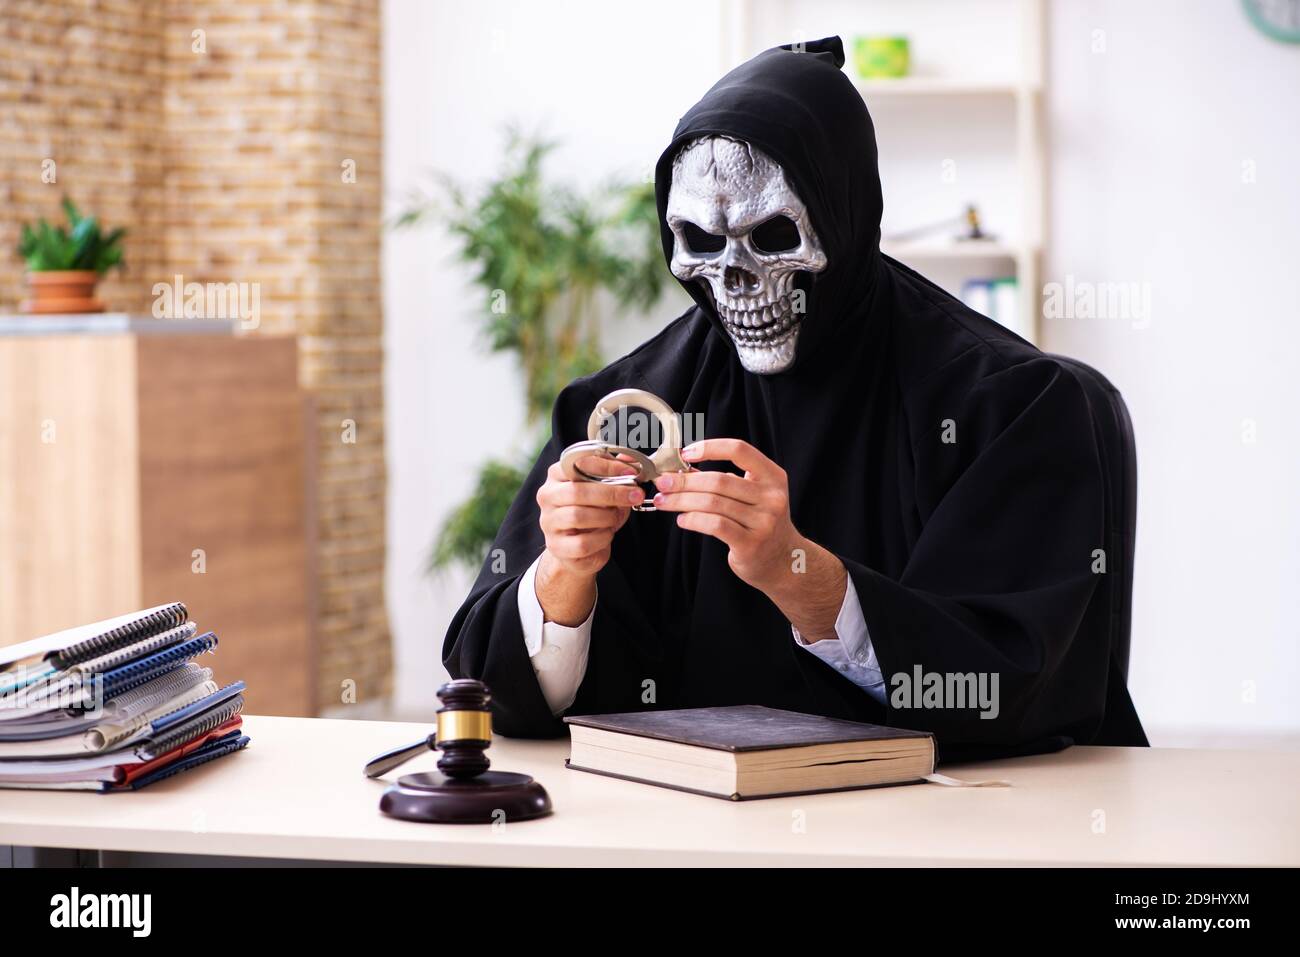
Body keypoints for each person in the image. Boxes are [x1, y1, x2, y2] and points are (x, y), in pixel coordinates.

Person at [443, 36, 1147, 761]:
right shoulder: (627, 409)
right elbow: (489, 689)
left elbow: (1009, 685)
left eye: (772, 237)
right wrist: (566, 574)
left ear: (844, 214)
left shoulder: (1011, 404)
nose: (734, 279)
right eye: (700, 243)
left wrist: (802, 577)